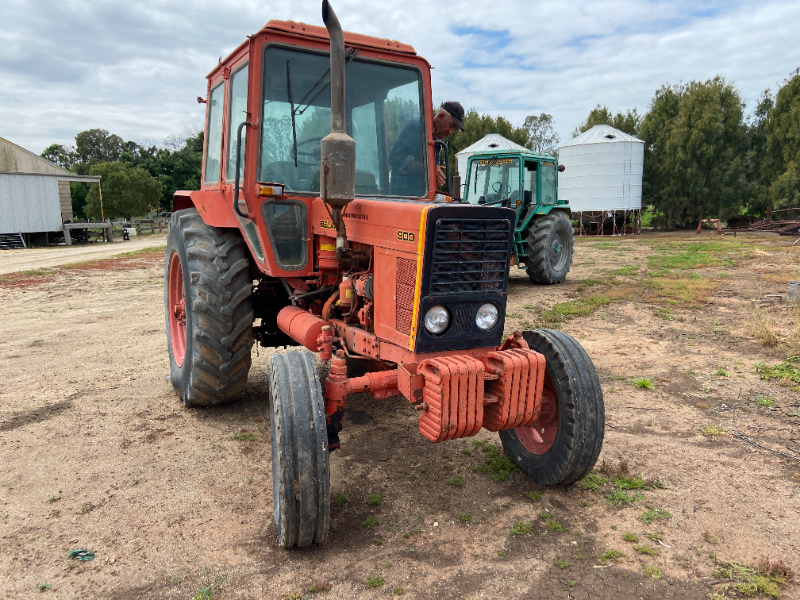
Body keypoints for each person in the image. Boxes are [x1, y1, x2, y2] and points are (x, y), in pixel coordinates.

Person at [389, 101, 464, 196]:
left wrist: (435, 173)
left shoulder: (437, 141)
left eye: (455, 129)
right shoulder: (419, 126)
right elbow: (394, 158)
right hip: (404, 199)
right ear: (441, 116)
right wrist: (430, 168)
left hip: (421, 198)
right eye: (451, 126)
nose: (450, 132)